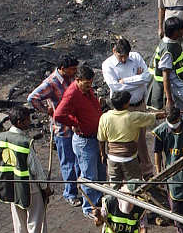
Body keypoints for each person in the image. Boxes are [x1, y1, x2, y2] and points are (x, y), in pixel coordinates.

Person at [0, 106, 50, 233]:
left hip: (11, 184)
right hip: (29, 186)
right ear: (19, 122)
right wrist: (45, 187)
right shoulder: (25, 142)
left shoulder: (1, 137)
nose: (29, 122)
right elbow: (35, 168)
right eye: (27, 120)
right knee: (35, 220)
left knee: (18, 216)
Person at [27, 55, 81, 208]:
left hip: (76, 126)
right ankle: (70, 193)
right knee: (68, 163)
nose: (75, 72)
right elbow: (32, 98)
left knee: (78, 161)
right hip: (62, 129)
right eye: (72, 69)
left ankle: (81, 189)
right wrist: (46, 110)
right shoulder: (51, 83)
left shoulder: (71, 78)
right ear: (63, 69)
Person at [53, 64, 104, 218]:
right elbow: (58, 115)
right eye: (86, 84)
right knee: (89, 176)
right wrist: (74, 123)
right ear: (78, 80)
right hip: (84, 141)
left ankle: (99, 201)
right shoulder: (72, 94)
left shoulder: (86, 90)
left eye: (91, 83)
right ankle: (88, 208)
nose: (89, 86)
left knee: (100, 172)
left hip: (95, 137)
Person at [101, 38, 155, 177]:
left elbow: (147, 77)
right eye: (121, 56)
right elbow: (116, 87)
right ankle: (130, 175)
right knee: (127, 141)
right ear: (114, 51)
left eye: (126, 55)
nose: (124, 59)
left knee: (142, 141)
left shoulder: (135, 57)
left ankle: (147, 173)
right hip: (124, 110)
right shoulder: (108, 65)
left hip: (140, 104)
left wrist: (126, 80)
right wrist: (138, 78)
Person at [147, 17, 183, 124]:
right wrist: (169, 100)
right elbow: (165, 75)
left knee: (180, 110)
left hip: (176, 80)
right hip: (175, 84)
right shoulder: (168, 49)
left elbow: (173, 65)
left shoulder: (169, 42)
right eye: (181, 29)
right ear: (175, 32)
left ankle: (178, 129)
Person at [97, 90, 162, 185]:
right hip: (129, 159)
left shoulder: (105, 117)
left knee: (115, 187)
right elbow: (153, 116)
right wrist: (167, 113)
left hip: (112, 159)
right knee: (134, 187)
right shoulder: (133, 117)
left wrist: (103, 154)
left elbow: (101, 139)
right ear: (125, 104)